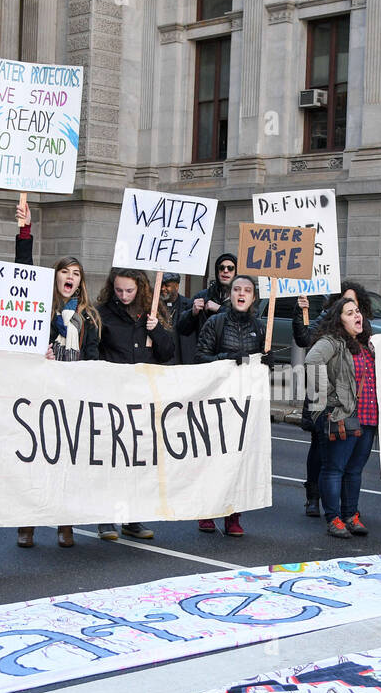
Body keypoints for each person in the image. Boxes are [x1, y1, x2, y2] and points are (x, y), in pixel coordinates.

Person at [13, 200, 100, 549]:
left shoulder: (89, 317)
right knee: (36, 458)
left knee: (67, 462)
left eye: (76, 273)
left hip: (73, 395)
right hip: (40, 393)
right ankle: (27, 524)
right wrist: (25, 231)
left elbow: (94, 356)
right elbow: (22, 270)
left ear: (80, 282)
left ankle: (65, 524)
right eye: (65, 271)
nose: (70, 277)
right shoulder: (39, 307)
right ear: (56, 277)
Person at [95, 267, 174, 540]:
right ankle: (106, 518)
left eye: (129, 290)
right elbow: (94, 352)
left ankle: (133, 518)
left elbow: (167, 353)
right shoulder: (102, 314)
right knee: (110, 460)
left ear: (140, 288)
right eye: (119, 290)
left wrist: (157, 331)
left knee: (137, 461)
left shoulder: (152, 313)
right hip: (112, 398)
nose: (124, 295)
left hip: (142, 399)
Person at [194, 273, 267, 536]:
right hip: (217, 401)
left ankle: (233, 515)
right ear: (230, 294)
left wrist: (266, 364)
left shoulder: (261, 328)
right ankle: (207, 512)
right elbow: (200, 357)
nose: (241, 293)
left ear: (253, 297)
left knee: (239, 461)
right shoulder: (215, 323)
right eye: (237, 289)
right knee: (214, 459)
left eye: (247, 290)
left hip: (245, 403)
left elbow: (257, 364)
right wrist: (225, 358)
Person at [295, 281, 374, 517]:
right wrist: (329, 398)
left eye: (356, 307)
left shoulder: (366, 338)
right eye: (347, 307)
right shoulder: (330, 338)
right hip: (335, 411)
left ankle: (350, 513)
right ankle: (320, 504)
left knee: (351, 468)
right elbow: (308, 350)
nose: (355, 312)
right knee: (328, 461)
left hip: (363, 414)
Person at [175, 253, 236, 363]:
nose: (225, 271)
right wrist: (192, 313)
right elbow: (182, 329)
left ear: (236, 272)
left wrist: (219, 309)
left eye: (230, 268)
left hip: (232, 360)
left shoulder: (241, 297)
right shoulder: (203, 296)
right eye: (221, 268)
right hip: (206, 360)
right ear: (217, 271)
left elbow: (248, 322)